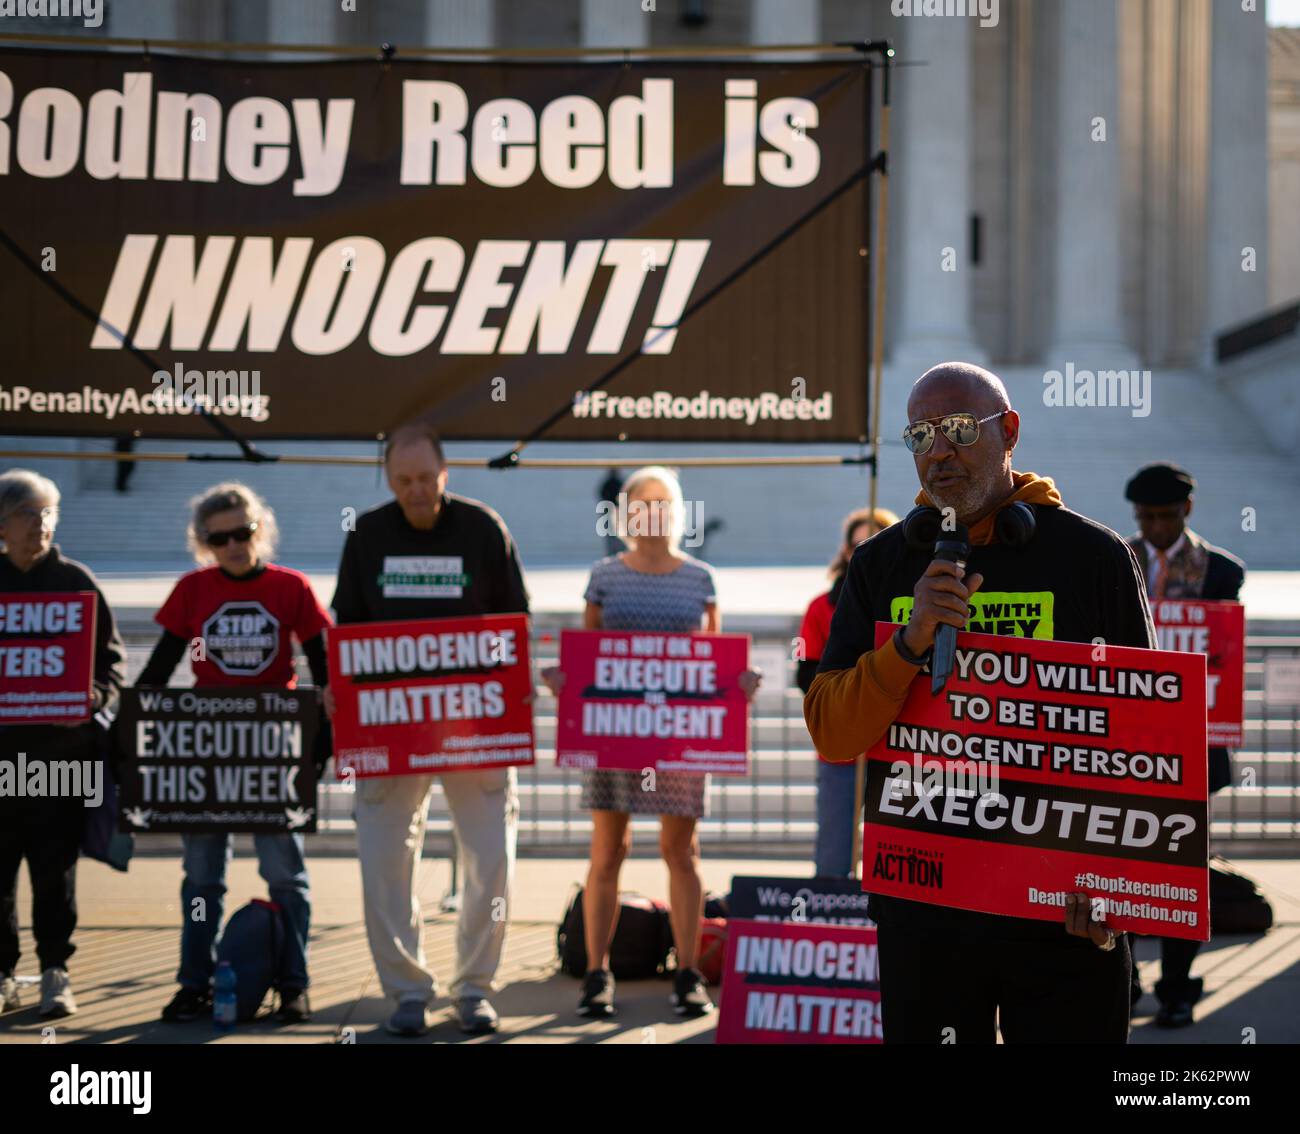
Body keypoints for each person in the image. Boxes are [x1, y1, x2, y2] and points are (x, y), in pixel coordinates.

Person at [804, 362, 1156, 1045]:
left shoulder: (1094, 557)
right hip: (926, 909)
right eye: (921, 435)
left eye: (961, 429)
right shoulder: (881, 565)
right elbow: (832, 733)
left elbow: (1144, 739)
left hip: (1065, 908)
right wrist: (906, 646)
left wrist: (1124, 887)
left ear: (1009, 431)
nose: (939, 451)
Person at [329, 422, 529, 1037]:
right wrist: (343, 699)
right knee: (385, 860)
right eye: (403, 480)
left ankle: (475, 986)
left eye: (425, 478)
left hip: (474, 723)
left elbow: (512, 618)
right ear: (389, 479)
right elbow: (347, 623)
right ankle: (407, 989)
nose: (416, 490)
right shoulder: (365, 533)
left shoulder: (483, 527)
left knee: (489, 858)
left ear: (445, 473)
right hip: (390, 729)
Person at [543, 466, 760, 1020]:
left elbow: (715, 659)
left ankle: (688, 973)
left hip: (677, 738)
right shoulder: (603, 576)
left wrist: (741, 685)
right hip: (615, 734)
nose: (652, 516)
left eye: (663, 505)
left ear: (679, 513)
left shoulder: (700, 579)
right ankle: (597, 972)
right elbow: (586, 656)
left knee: (680, 853)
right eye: (642, 505)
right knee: (607, 852)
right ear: (624, 515)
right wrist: (561, 682)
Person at [139, 483, 332, 1026]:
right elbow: (158, 671)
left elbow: (322, 662)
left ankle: (294, 985)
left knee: (285, 874)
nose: (233, 545)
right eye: (218, 538)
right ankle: (193, 984)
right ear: (204, 542)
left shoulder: (290, 587)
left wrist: (322, 738)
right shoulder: (193, 590)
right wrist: (128, 733)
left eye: (242, 532)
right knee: (201, 878)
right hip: (208, 749)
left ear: (261, 529)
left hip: (272, 747)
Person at [0, 469, 126, 1018]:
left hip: (61, 759)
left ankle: (57, 971)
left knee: (55, 873)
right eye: (28, 513)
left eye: (48, 512)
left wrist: (94, 697)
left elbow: (112, 664)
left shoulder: (77, 580)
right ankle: (4, 974)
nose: (41, 524)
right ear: (2, 524)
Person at [1124, 461, 1246, 1028]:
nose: (1155, 528)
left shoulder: (1222, 571)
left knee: (1183, 874)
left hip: (1193, 747)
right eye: (1146, 518)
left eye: (1166, 517)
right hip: (1126, 743)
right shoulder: (1117, 560)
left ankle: (1175, 986)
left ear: (1187, 511)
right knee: (1117, 866)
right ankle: (1124, 980)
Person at [797, 506, 899, 878]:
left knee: (894, 858)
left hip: (898, 751)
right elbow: (805, 672)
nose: (862, 552)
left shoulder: (912, 603)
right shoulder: (819, 608)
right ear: (844, 551)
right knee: (833, 856)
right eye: (856, 544)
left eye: (871, 543)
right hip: (842, 752)